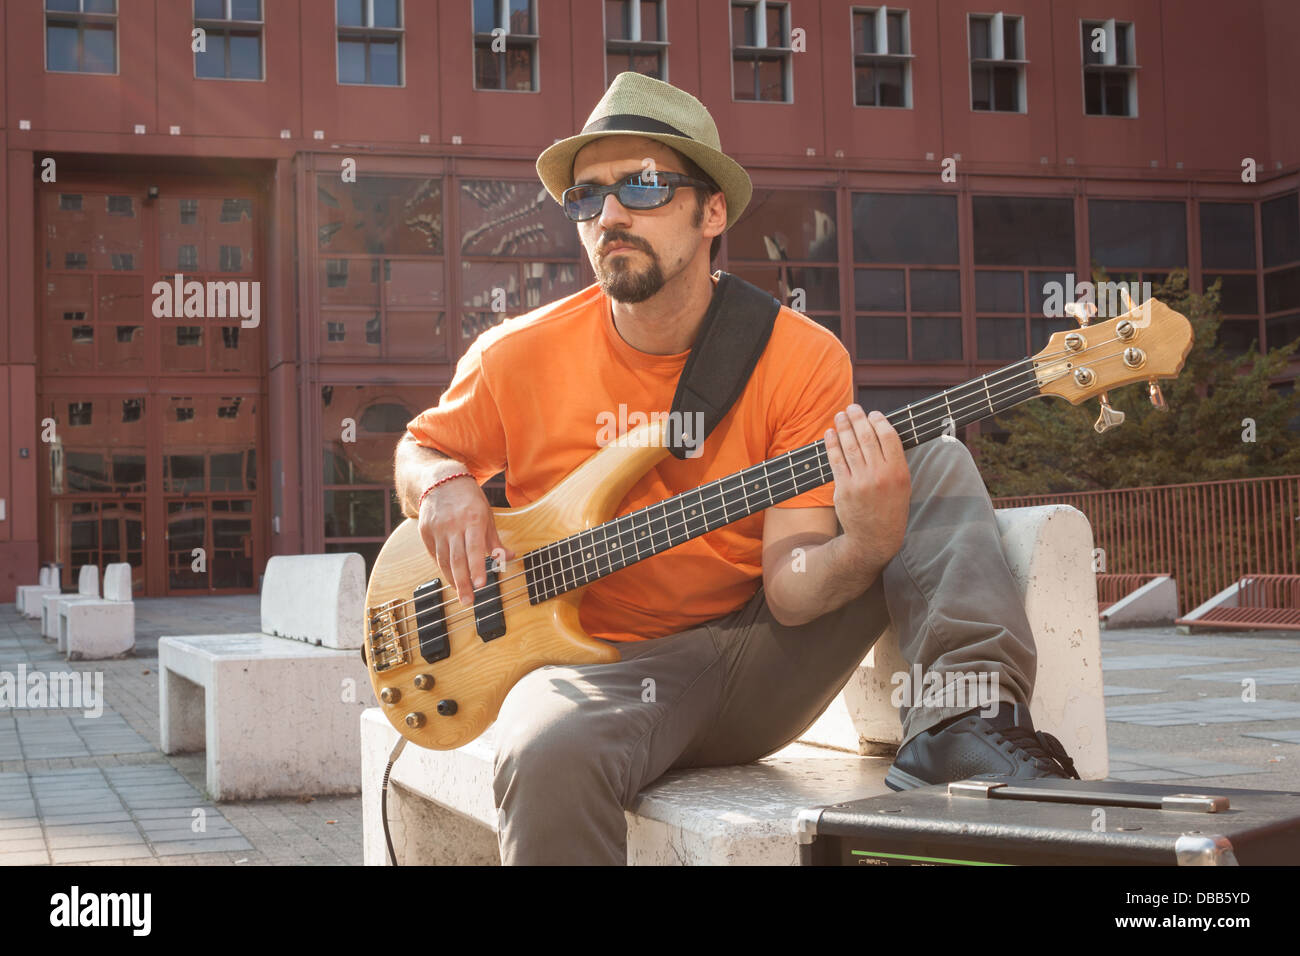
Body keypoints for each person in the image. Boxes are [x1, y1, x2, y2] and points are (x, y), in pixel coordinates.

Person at [394, 72, 1077, 865]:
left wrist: (864, 544)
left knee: (918, 454)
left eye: (642, 186)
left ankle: (970, 723)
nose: (609, 215)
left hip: (754, 658)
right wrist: (442, 485)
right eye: (587, 197)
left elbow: (790, 588)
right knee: (545, 755)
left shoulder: (799, 356)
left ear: (712, 210)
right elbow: (422, 445)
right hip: (596, 667)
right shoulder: (515, 355)